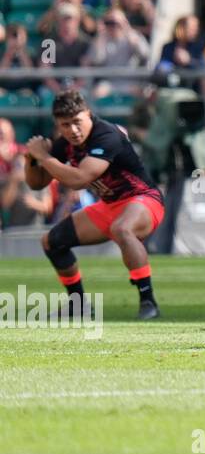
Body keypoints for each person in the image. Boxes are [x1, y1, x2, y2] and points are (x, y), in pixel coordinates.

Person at [24, 89, 166, 319]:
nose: (73, 130)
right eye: (65, 125)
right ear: (58, 124)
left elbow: (79, 180)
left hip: (143, 199)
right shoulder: (65, 144)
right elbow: (36, 184)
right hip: (109, 205)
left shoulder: (106, 135)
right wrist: (31, 159)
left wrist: (44, 157)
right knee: (52, 242)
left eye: (77, 122)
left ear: (88, 114)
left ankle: (148, 302)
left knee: (122, 229)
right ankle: (77, 304)